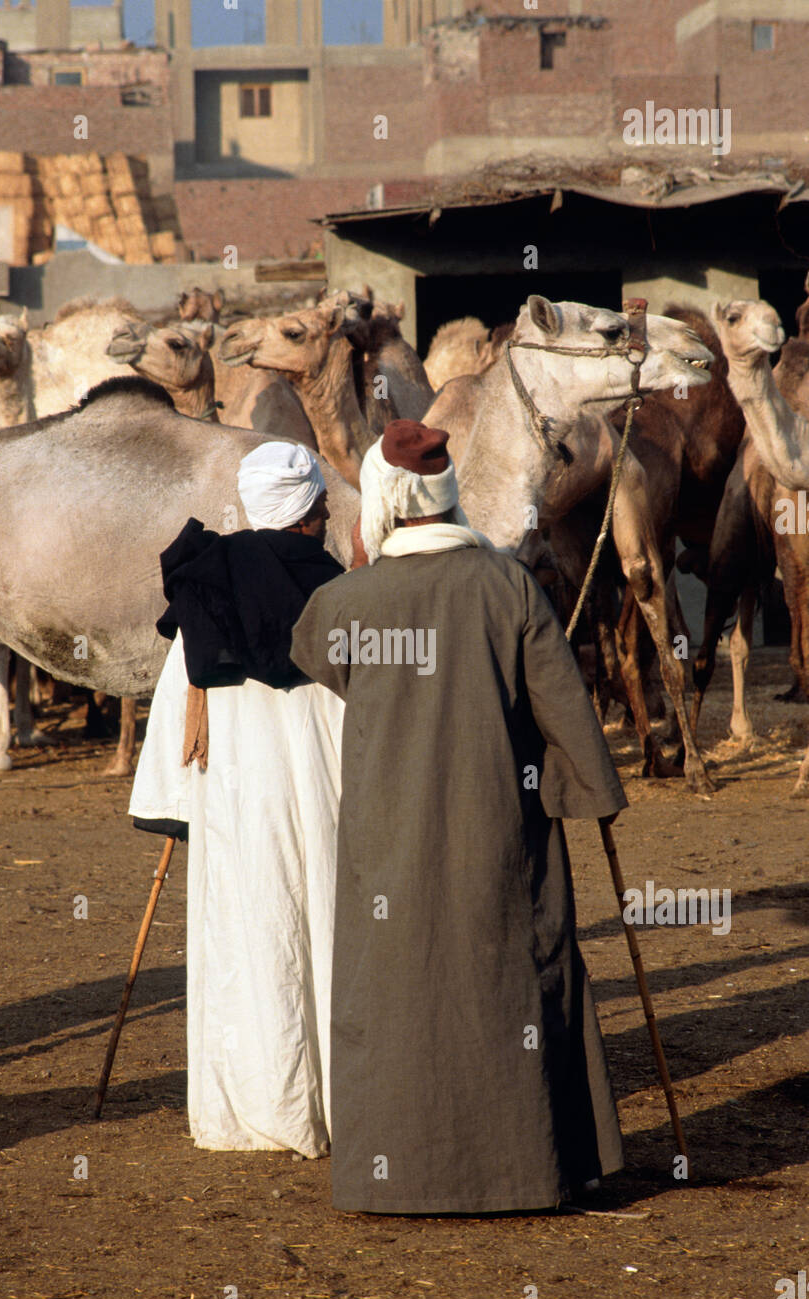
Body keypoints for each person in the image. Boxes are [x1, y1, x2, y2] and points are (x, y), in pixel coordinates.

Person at [290, 419, 628, 1213]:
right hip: (497, 824)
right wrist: (591, 794)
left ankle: (400, 1174)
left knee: (397, 990)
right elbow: (562, 706)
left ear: (385, 498)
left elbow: (323, 661)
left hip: (389, 835)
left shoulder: (342, 602)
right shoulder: (507, 586)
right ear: (445, 498)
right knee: (508, 979)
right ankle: (525, 1169)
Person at [128, 440, 344, 1158]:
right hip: (327, 802)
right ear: (312, 512)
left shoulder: (203, 596)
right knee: (329, 936)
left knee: (250, 945)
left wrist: (171, 804)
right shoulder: (343, 597)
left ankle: (257, 1107)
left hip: (236, 808)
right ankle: (339, 1100)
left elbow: (171, 727)